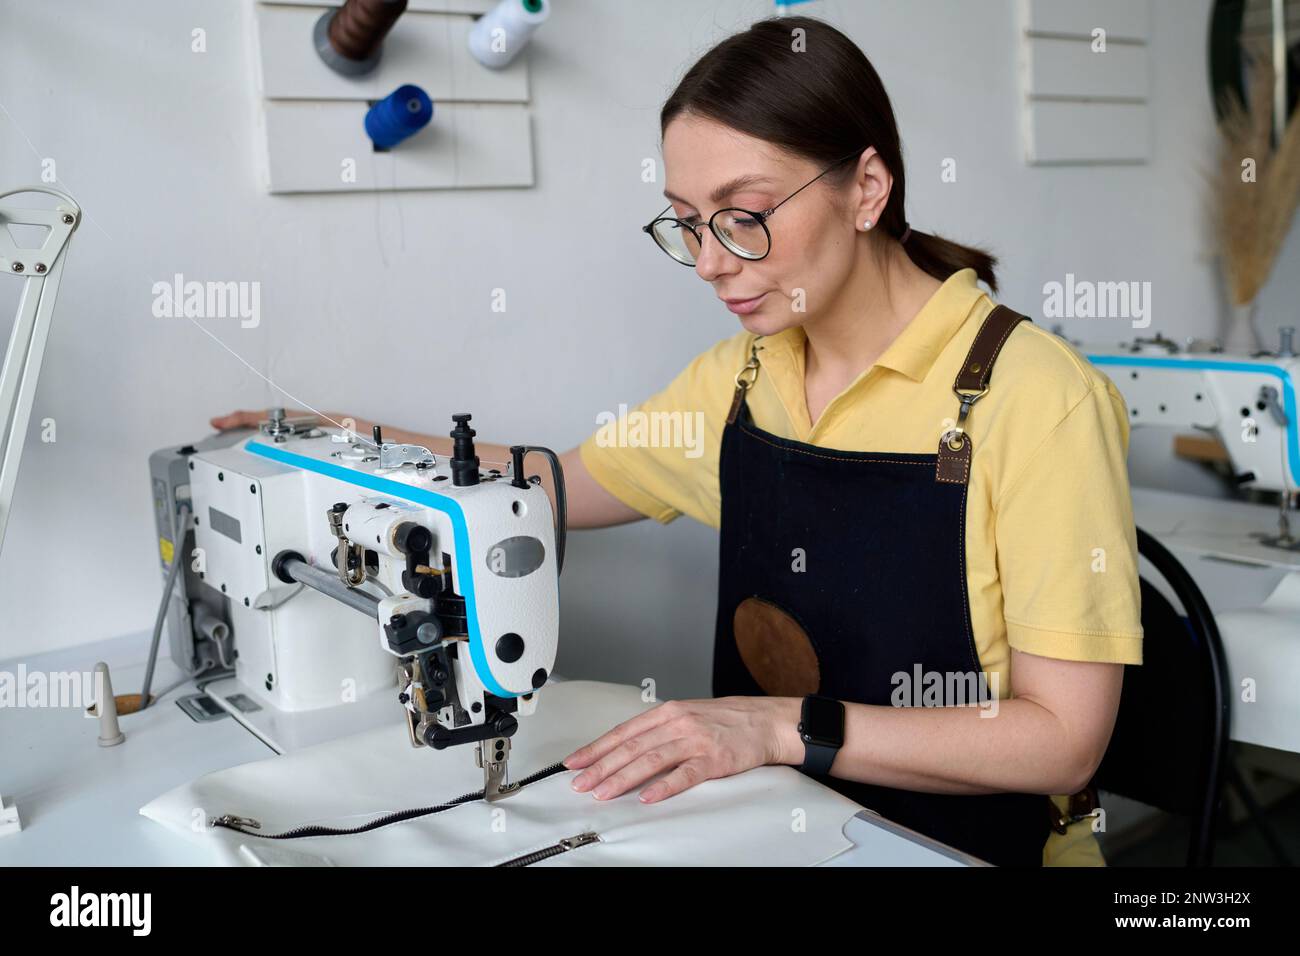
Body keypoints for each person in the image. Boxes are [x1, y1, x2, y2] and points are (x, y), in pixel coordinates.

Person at [213, 16, 1142, 866]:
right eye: (690, 223)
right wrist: (342, 437)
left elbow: (1064, 740)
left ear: (866, 187)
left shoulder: (1036, 398)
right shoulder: (744, 377)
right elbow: (551, 484)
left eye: (745, 217)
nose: (707, 263)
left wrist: (777, 728)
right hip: (782, 826)